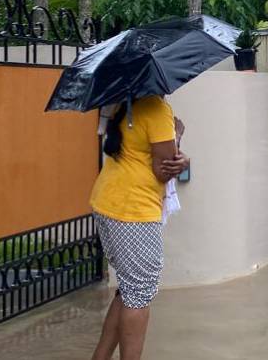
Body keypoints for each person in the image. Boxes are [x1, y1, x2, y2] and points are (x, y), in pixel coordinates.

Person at [90, 95, 189, 360]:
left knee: (128, 289)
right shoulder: (155, 108)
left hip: (107, 202)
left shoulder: (118, 101)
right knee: (139, 293)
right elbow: (164, 169)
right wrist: (177, 137)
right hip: (133, 211)